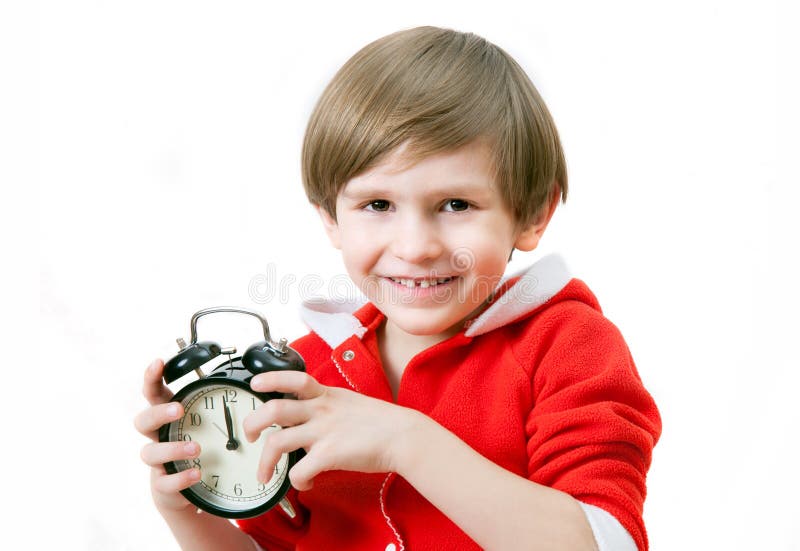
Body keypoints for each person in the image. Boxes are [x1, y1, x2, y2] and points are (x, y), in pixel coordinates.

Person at [135, 26, 661, 551]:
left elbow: (606, 542)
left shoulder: (567, 347)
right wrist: (190, 515)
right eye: (378, 205)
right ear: (331, 218)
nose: (415, 246)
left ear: (531, 213)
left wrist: (405, 442)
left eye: (456, 205)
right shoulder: (305, 373)